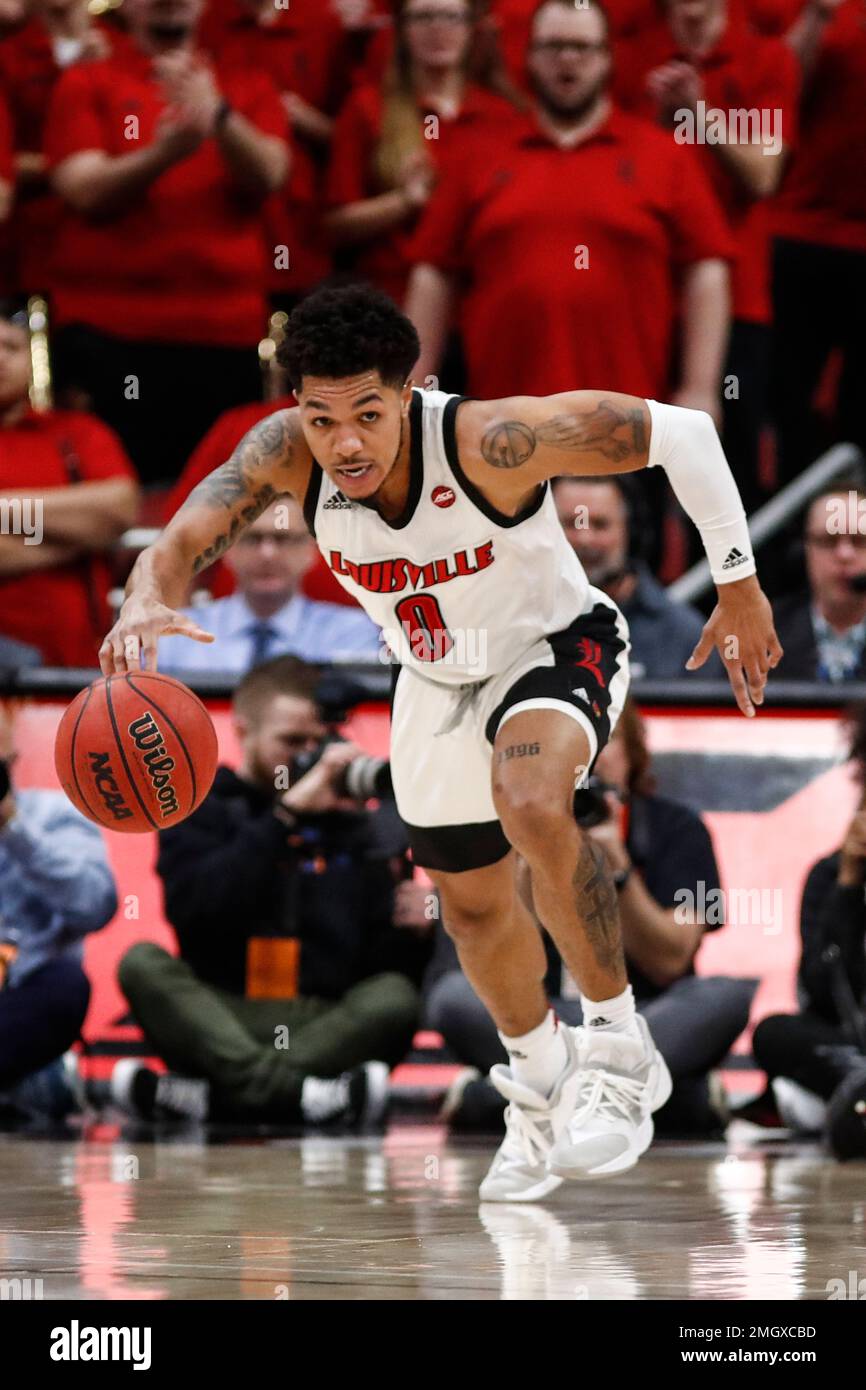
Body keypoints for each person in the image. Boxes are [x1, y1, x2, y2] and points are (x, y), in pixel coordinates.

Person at [100, 282, 780, 1203]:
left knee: (533, 800)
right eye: (321, 416)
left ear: (407, 391)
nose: (343, 441)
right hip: (432, 676)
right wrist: (148, 592)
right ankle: (539, 1091)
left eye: (367, 414)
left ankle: (621, 1053)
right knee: (466, 910)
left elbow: (685, 436)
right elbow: (181, 540)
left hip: (553, 643)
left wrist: (737, 586)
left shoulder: (490, 439)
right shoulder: (284, 454)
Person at [113, 656, 430, 1126]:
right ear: (243, 732)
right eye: (292, 742)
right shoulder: (200, 805)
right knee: (141, 963)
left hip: (320, 1021)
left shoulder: (355, 820)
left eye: (317, 743)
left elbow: (380, 970)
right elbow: (197, 912)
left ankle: (214, 1099)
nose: (306, 756)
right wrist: (286, 816)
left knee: (395, 997)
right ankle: (305, 1098)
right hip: (222, 1016)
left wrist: (414, 933)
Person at [427, 700, 755, 1136]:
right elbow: (505, 959)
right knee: (452, 997)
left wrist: (617, 872)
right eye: (569, 743)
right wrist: (539, 860)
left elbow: (671, 960)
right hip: (539, 1018)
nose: (588, 755)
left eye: (606, 739)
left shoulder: (680, 828)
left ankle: (511, 1097)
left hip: (646, 1018)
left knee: (724, 997)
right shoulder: (498, 828)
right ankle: (656, 1097)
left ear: (634, 753)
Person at [405, 0, 732, 415]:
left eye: (583, 48)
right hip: (502, 420)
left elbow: (707, 268)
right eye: (553, 46)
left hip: (628, 420)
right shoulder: (477, 155)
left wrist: (700, 388)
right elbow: (433, 272)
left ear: (608, 58)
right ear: (529, 56)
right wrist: (415, 388)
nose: (568, 60)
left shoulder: (663, 157)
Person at [44, 0, 290, 484]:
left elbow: (272, 173)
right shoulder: (89, 79)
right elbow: (84, 190)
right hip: (112, 333)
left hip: (224, 334)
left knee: (226, 495)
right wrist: (166, 153)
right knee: (122, 490)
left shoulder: (244, 83)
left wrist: (217, 114)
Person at [614, 0, 799, 516]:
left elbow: (764, 174)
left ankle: (731, 594)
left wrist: (699, 115)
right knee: (634, 465)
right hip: (636, 303)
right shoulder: (627, 56)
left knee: (725, 473)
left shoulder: (767, 59)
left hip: (737, 301)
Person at [325, 0, 520, 306]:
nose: (437, 27)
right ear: (402, 29)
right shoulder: (367, 108)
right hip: (390, 304)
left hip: (479, 300)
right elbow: (333, 226)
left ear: (471, 27)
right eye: (424, 16)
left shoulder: (503, 117)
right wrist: (403, 203)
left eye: (450, 16)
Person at [751, 702, 866, 1148]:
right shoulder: (831, 874)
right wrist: (849, 887)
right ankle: (858, 1083)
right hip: (848, 1042)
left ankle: (855, 1097)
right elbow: (818, 987)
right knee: (774, 1032)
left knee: (802, 1100)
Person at [0, 301, 139, 667]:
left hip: (71, 665)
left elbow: (119, 510)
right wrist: (79, 540)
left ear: (32, 358)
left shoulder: (77, 433)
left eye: (11, 347)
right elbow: (101, 522)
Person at [0, 704, 116, 1121]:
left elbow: (96, 906)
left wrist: (13, 828)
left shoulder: (53, 815)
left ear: (12, 761)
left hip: (18, 1000)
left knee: (65, 986)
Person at [769, 0, 866, 486]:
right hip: (804, 233)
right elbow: (776, 90)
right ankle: (792, 543)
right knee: (789, 409)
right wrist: (817, 15)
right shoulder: (819, 12)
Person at [157, 497, 381, 674]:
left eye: (283, 539)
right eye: (253, 538)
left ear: (311, 550)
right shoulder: (178, 637)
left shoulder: (352, 634)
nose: (268, 554)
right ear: (226, 548)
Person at [552, 475, 721, 681]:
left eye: (600, 524)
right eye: (571, 524)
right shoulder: (518, 619)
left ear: (632, 532)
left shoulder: (686, 637)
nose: (585, 539)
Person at [772, 482, 866, 682]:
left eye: (859, 541)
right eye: (829, 541)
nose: (844, 555)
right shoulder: (762, 636)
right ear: (804, 551)